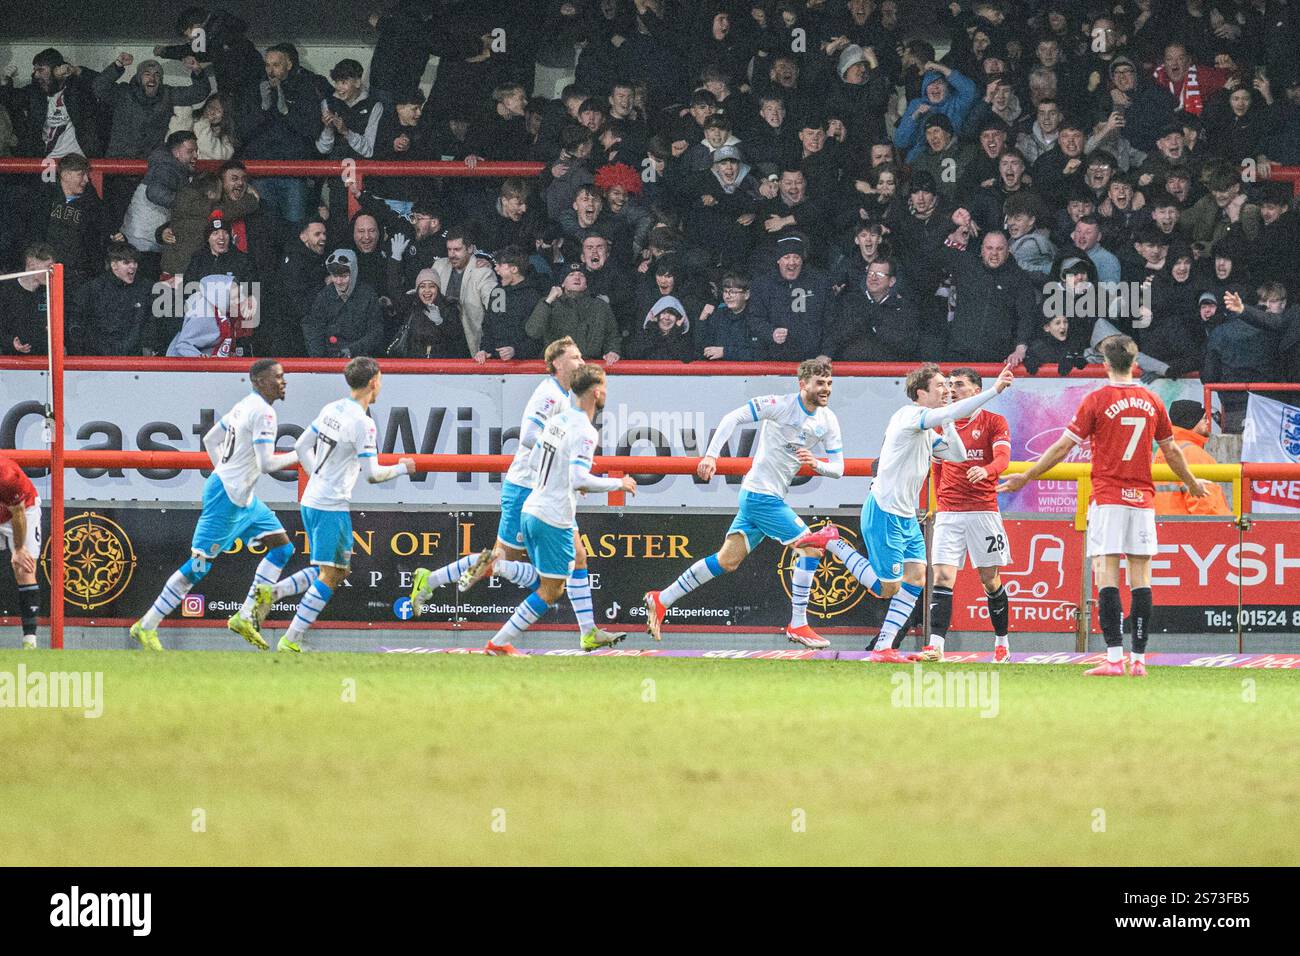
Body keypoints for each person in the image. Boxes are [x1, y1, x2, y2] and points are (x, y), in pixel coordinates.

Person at [999, 336, 1211, 677]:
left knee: (1106, 575)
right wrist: (1191, 482)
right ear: (1135, 363)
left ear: (1106, 364)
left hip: (1109, 497)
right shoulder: (1152, 400)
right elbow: (1172, 451)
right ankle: (1139, 659)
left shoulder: (1097, 399)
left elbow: (1062, 447)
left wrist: (1026, 476)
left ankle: (1114, 658)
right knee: (1141, 579)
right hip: (1142, 499)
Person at [410, 337, 623, 651]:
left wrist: (565, 474)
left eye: (581, 356)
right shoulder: (549, 394)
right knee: (499, 562)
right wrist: (560, 465)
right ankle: (430, 579)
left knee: (577, 555)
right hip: (526, 487)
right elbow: (528, 436)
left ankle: (588, 630)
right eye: (574, 357)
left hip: (545, 487)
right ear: (556, 363)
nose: (581, 361)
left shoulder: (565, 397)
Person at [643, 359, 845, 650]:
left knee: (726, 561)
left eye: (829, 383)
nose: (826, 389)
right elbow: (733, 417)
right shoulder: (781, 405)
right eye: (820, 383)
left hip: (764, 496)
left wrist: (817, 464)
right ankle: (798, 624)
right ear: (803, 384)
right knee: (812, 548)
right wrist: (711, 455)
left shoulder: (828, 420)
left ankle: (662, 599)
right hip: (761, 496)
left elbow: (838, 468)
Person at [827, 363, 1015, 661]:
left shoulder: (931, 427)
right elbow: (950, 420)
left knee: (917, 578)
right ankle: (833, 542)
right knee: (887, 587)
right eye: (941, 385)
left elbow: (957, 455)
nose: (947, 390)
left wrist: (949, 422)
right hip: (886, 509)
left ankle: (884, 647)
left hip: (911, 514)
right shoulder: (909, 415)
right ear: (920, 393)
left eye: (951, 385)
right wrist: (995, 390)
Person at [129, 361, 301, 652]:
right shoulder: (263, 412)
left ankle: (245, 616)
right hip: (226, 499)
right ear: (260, 382)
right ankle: (146, 625)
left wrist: (224, 471)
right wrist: (301, 453)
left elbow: (211, 439)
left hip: (243, 498)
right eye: (278, 377)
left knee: (282, 548)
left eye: (284, 377)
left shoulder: (244, 405)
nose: (283, 382)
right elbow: (267, 463)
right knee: (198, 568)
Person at [482, 364, 638, 657]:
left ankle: (588, 631)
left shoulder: (558, 420)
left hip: (533, 507)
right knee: (551, 589)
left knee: (575, 560)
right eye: (604, 387)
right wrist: (619, 483)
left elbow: (534, 460)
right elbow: (579, 479)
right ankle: (498, 641)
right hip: (553, 515)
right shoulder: (586, 431)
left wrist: (561, 479)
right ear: (596, 392)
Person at [271, 358, 415, 652]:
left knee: (336, 570)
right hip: (331, 504)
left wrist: (317, 475)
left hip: (312, 499)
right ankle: (290, 637)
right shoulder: (363, 424)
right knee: (332, 573)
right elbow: (373, 475)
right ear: (373, 382)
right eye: (380, 379)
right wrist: (403, 467)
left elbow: (300, 446)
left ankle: (273, 594)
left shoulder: (332, 408)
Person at [922, 368, 1014, 662]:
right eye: (949, 384)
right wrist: (938, 503)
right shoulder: (941, 424)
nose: (952, 390)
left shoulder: (994, 422)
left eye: (959, 385)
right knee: (942, 576)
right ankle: (936, 646)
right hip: (949, 513)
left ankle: (1002, 642)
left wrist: (986, 470)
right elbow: (937, 467)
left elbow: (1003, 459)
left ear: (977, 391)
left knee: (990, 579)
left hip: (983, 511)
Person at [1153, 401, 1231, 516]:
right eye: (1204, 418)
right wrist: (1215, 525)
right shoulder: (1194, 453)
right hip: (1190, 524)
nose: (1208, 422)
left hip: (1166, 523)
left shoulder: (1162, 451)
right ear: (1191, 421)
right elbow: (1204, 505)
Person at [0, 455, 42, 649]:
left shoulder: (6, 474)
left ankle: (29, 640)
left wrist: (18, 549)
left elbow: (18, 512)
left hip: (22, 510)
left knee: (24, 568)